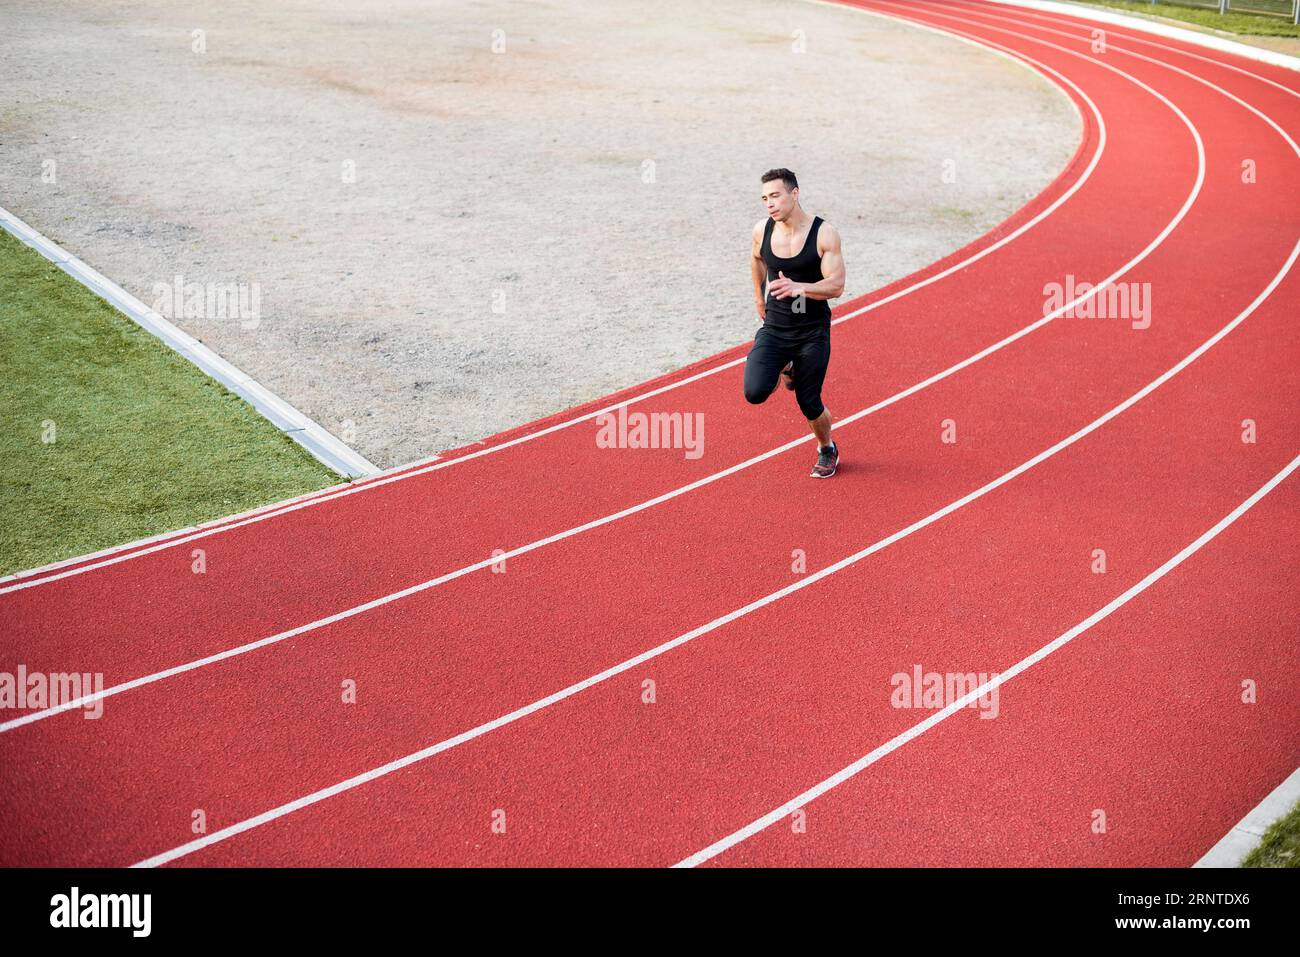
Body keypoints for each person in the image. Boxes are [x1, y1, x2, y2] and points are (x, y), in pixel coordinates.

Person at [744, 168, 846, 477]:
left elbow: (837, 285)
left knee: (809, 400)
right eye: (765, 199)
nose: (770, 204)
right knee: (754, 392)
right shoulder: (762, 230)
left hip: (811, 330)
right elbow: (757, 259)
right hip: (776, 326)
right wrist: (759, 298)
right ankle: (786, 366)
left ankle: (826, 448)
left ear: (795, 194)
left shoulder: (823, 233)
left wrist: (800, 288)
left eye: (775, 196)